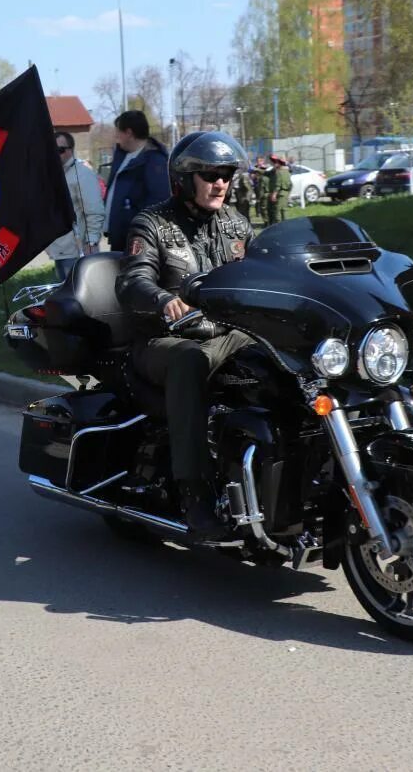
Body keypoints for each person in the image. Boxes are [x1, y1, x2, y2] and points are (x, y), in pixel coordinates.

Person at [115, 131, 256, 539]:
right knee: (189, 361)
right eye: (210, 174)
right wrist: (162, 300)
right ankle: (194, 492)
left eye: (227, 174)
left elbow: (268, 268)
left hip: (230, 334)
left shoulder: (236, 224)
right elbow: (131, 282)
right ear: (184, 178)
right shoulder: (153, 224)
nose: (221, 183)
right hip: (166, 340)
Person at [102, 110, 170, 252]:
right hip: (119, 239)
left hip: (137, 242)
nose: (116, 136)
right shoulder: (122, 156)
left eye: (118, 132)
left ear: (128, 133)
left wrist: (132, 224)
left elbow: (158, 203)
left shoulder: (155, 161)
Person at [46, 131, 105, 281]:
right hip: (61, 250)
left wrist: (91, 243)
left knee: (80, 297)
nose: (56, 153)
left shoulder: (82, 174)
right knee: (65, 298)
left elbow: (94, 212)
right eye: (52, 149)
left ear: (71, 150)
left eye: (60, 150)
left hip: (79, 251)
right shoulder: (55, 176)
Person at [268, 155, 291, 225]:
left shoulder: (279, 172)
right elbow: (290, 184)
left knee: (277, 211)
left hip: (281, 194)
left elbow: (278, 184)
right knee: (284, 210)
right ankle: (286, 225)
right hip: (286, 193)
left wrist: (274, 195)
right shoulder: (287, 171)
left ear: (279, 163)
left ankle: (279, 226)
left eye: (277, 162)